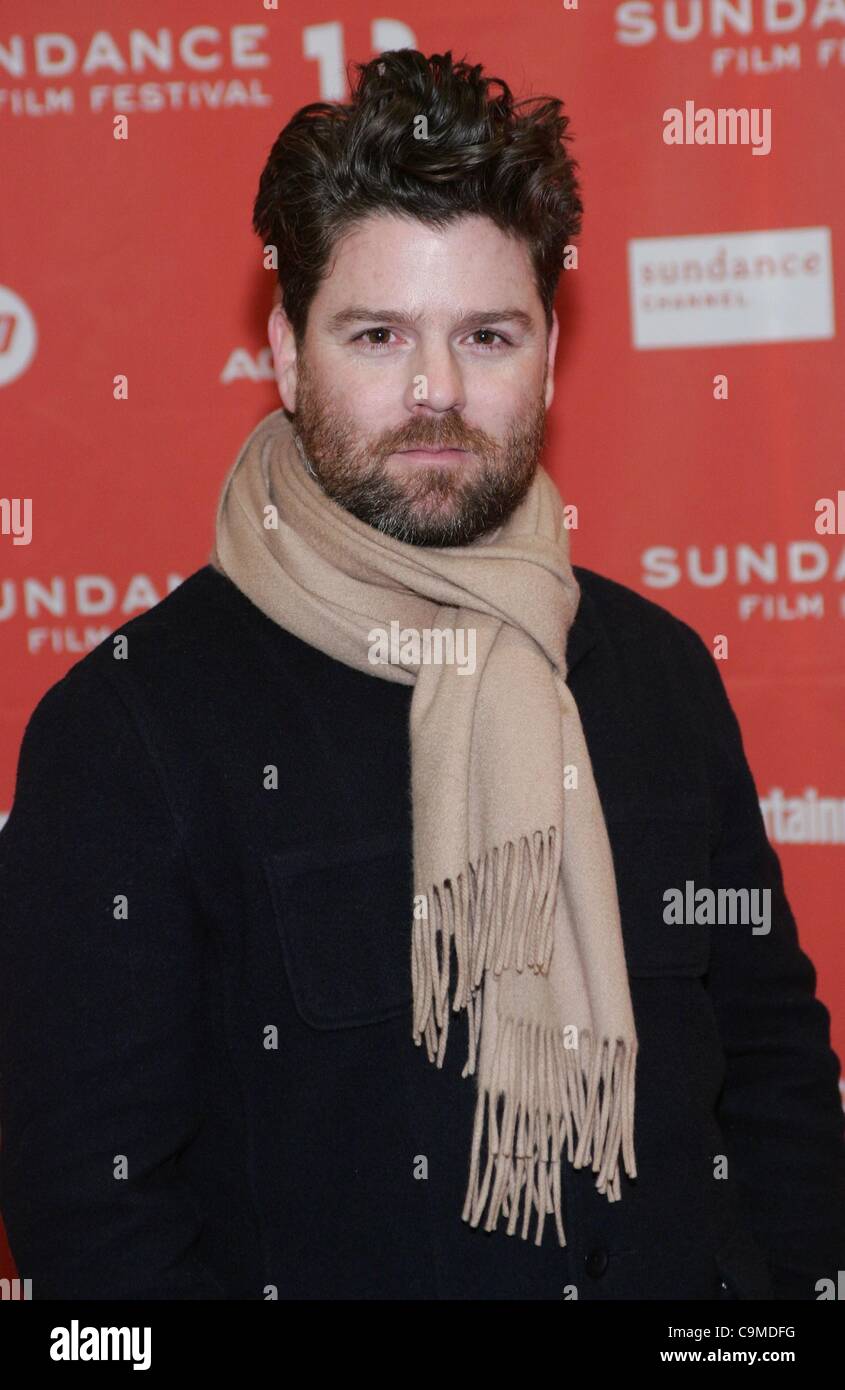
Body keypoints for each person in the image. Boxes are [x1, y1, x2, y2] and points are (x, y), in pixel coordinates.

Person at [1, 48, 843, 1302]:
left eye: (486, 335)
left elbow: (772, 1073)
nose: (435, 390)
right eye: (378, 332)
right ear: (287, 350)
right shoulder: (130, 729)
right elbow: (93, 1216)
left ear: (550, 357)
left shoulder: (658, 672)